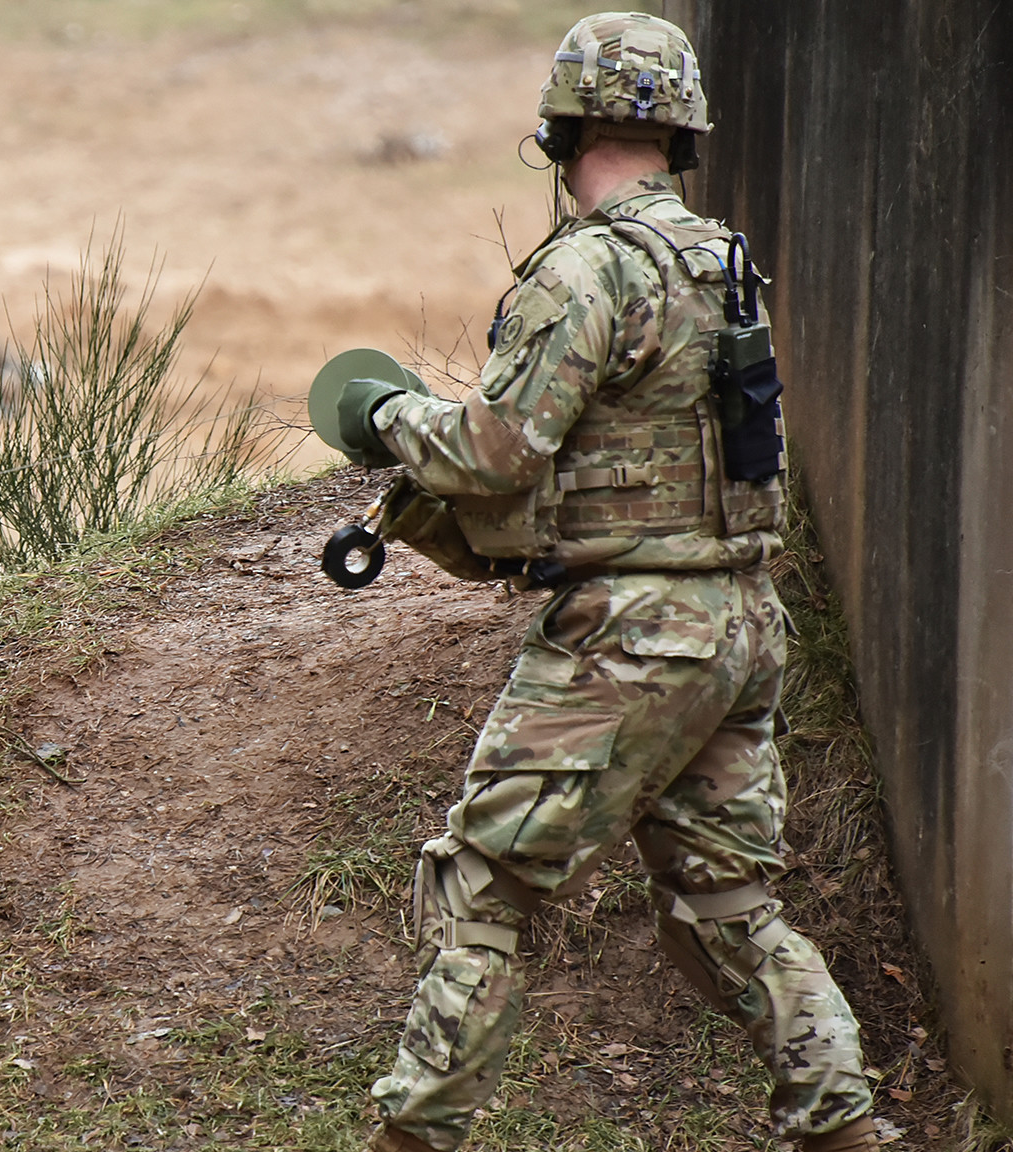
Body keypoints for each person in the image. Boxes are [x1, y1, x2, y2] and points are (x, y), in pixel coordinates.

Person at [332, 15, 880, 1152]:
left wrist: (381, 416)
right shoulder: (722, 260)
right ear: (678, 133)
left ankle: (414, 1135)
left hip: (629, 633)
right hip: (737, 624)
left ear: (557, 128)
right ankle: (840, 1128)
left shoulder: (586, 267)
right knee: (730, 907)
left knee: (482, 888)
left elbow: (493, 451)